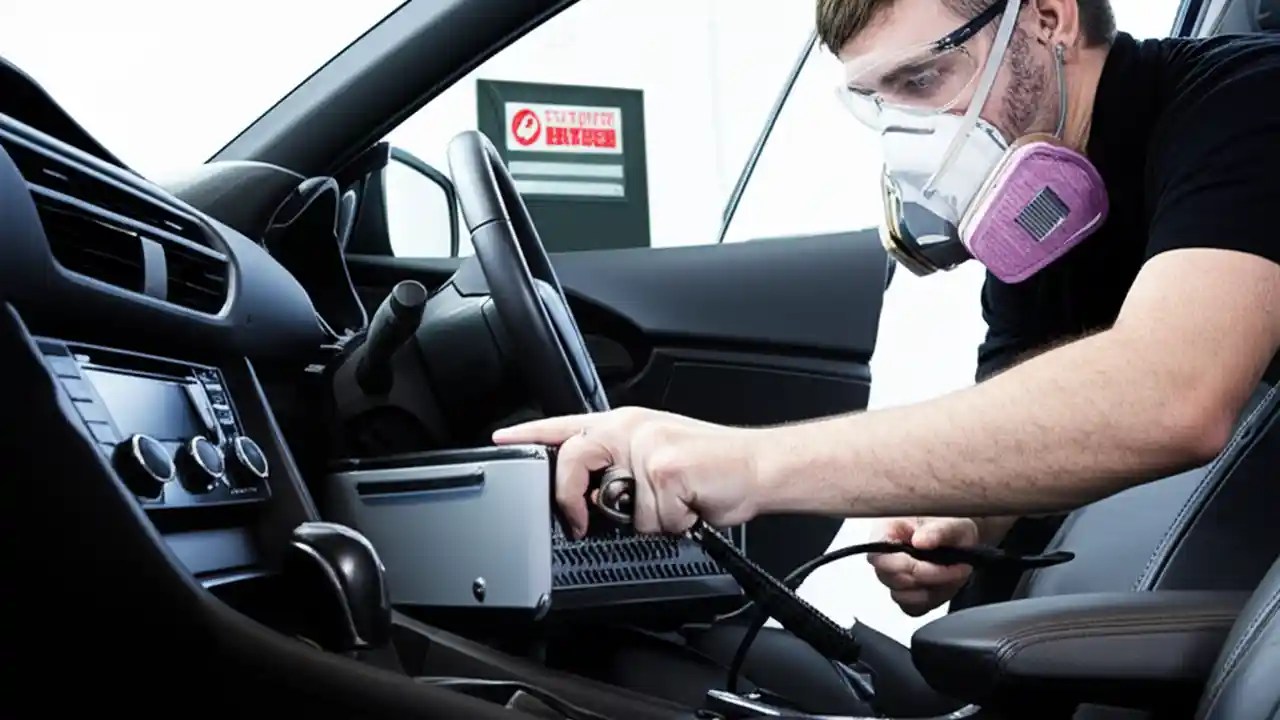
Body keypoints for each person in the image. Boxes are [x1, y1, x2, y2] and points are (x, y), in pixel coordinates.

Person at [495, 0, 1280, 713]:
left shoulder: (1247, 104)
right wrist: (965, 515)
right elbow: (1021, 426)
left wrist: (741, 466)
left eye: (923, 78)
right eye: (878, 99)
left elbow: (1171, 396)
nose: (907, 133)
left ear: (1048, 17)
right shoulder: (1036, 209)